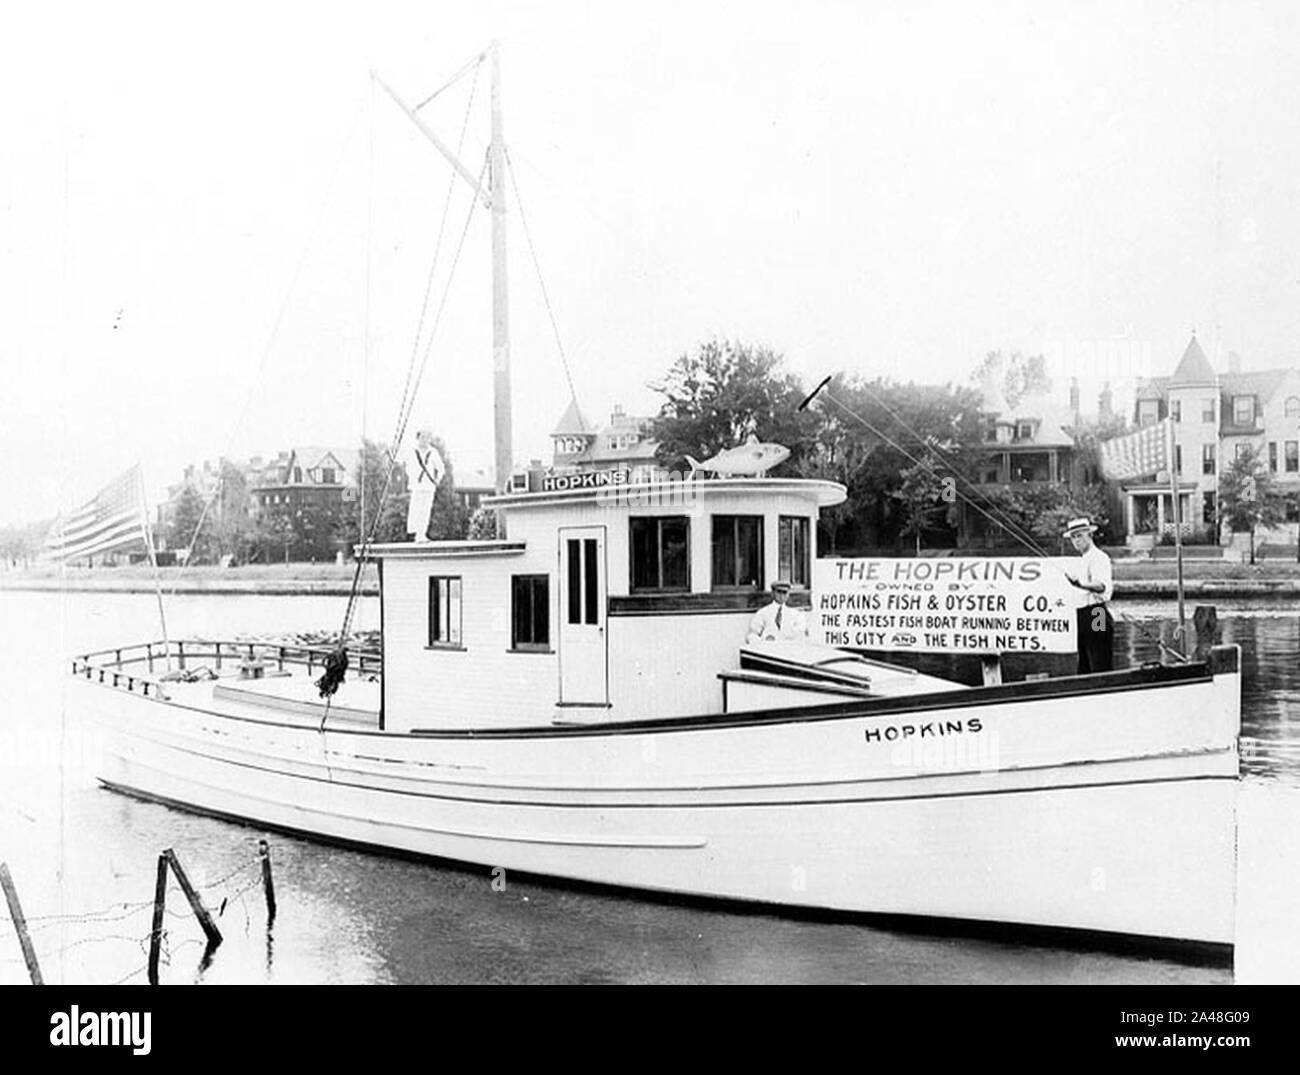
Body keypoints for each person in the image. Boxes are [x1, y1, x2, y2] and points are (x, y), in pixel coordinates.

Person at [1062, 516, 1114, 674]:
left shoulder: (1099, 557)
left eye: (1079, 536)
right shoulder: (1081, 561)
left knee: (1099, 659)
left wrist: (1081, 585)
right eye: (1073, 537)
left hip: (1096, 612)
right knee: (1084, 663)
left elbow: (1101, 585)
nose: (1076, 541)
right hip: (1082, 614)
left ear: (1089, 535)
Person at [406, 430, 446, 541]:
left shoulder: (433, 452)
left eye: (427, 437)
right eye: (422, 437)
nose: (425, 440)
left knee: (426, 510)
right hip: (417, 486)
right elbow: (408, 468)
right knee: (416, 509)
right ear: (417, 438)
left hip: (429, 486)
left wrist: (437, 480)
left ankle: (422, 534)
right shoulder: (412, 452)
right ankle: (416, 534)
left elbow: (441, 468)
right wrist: (414, 479)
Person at [746, 580, 809, 644]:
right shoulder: (763, 613)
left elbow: (800, 636)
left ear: (788, 595)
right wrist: (763, 641)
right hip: (767, 650)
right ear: (772, 593)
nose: (781, 595)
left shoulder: (796, 615)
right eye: (778, 592)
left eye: (784, 592)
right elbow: (752, 635)